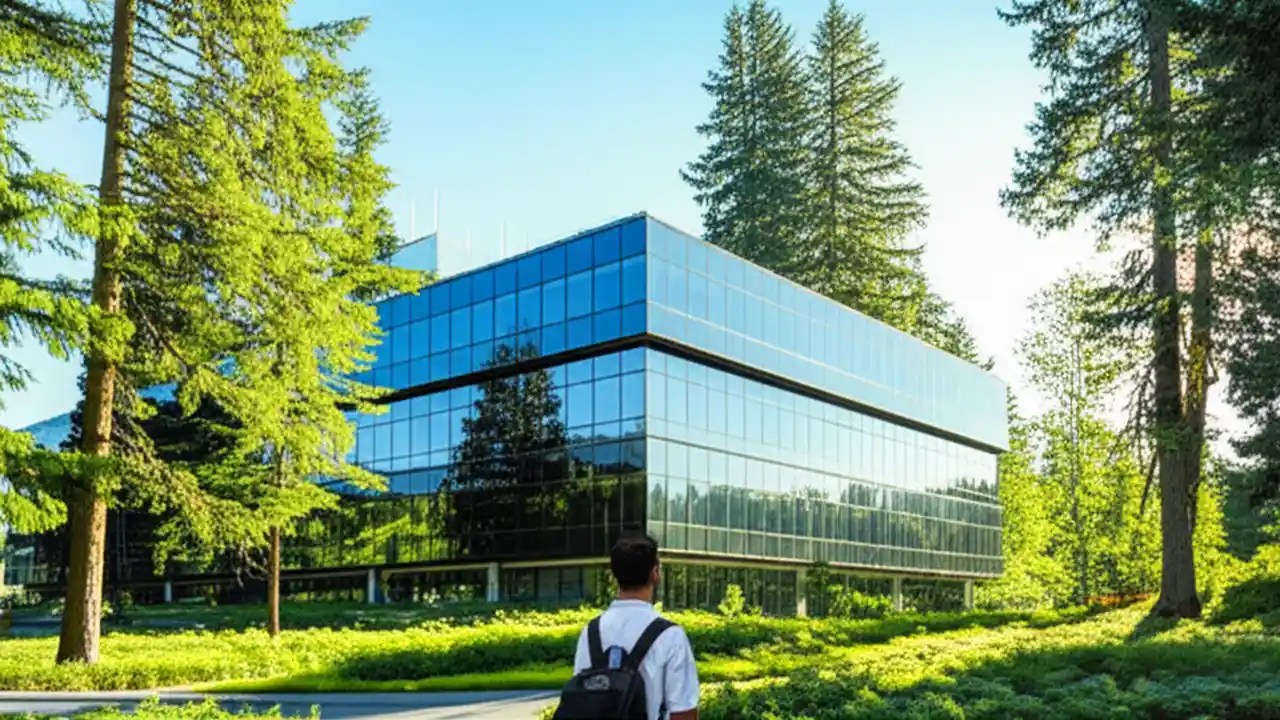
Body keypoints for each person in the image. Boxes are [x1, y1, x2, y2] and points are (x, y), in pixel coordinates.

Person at [569, 532, 699, 720]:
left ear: (615, 575)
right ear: (655, 573)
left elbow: (581, 701)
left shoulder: (591, 631)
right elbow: (684, 712)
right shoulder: (670, 636)